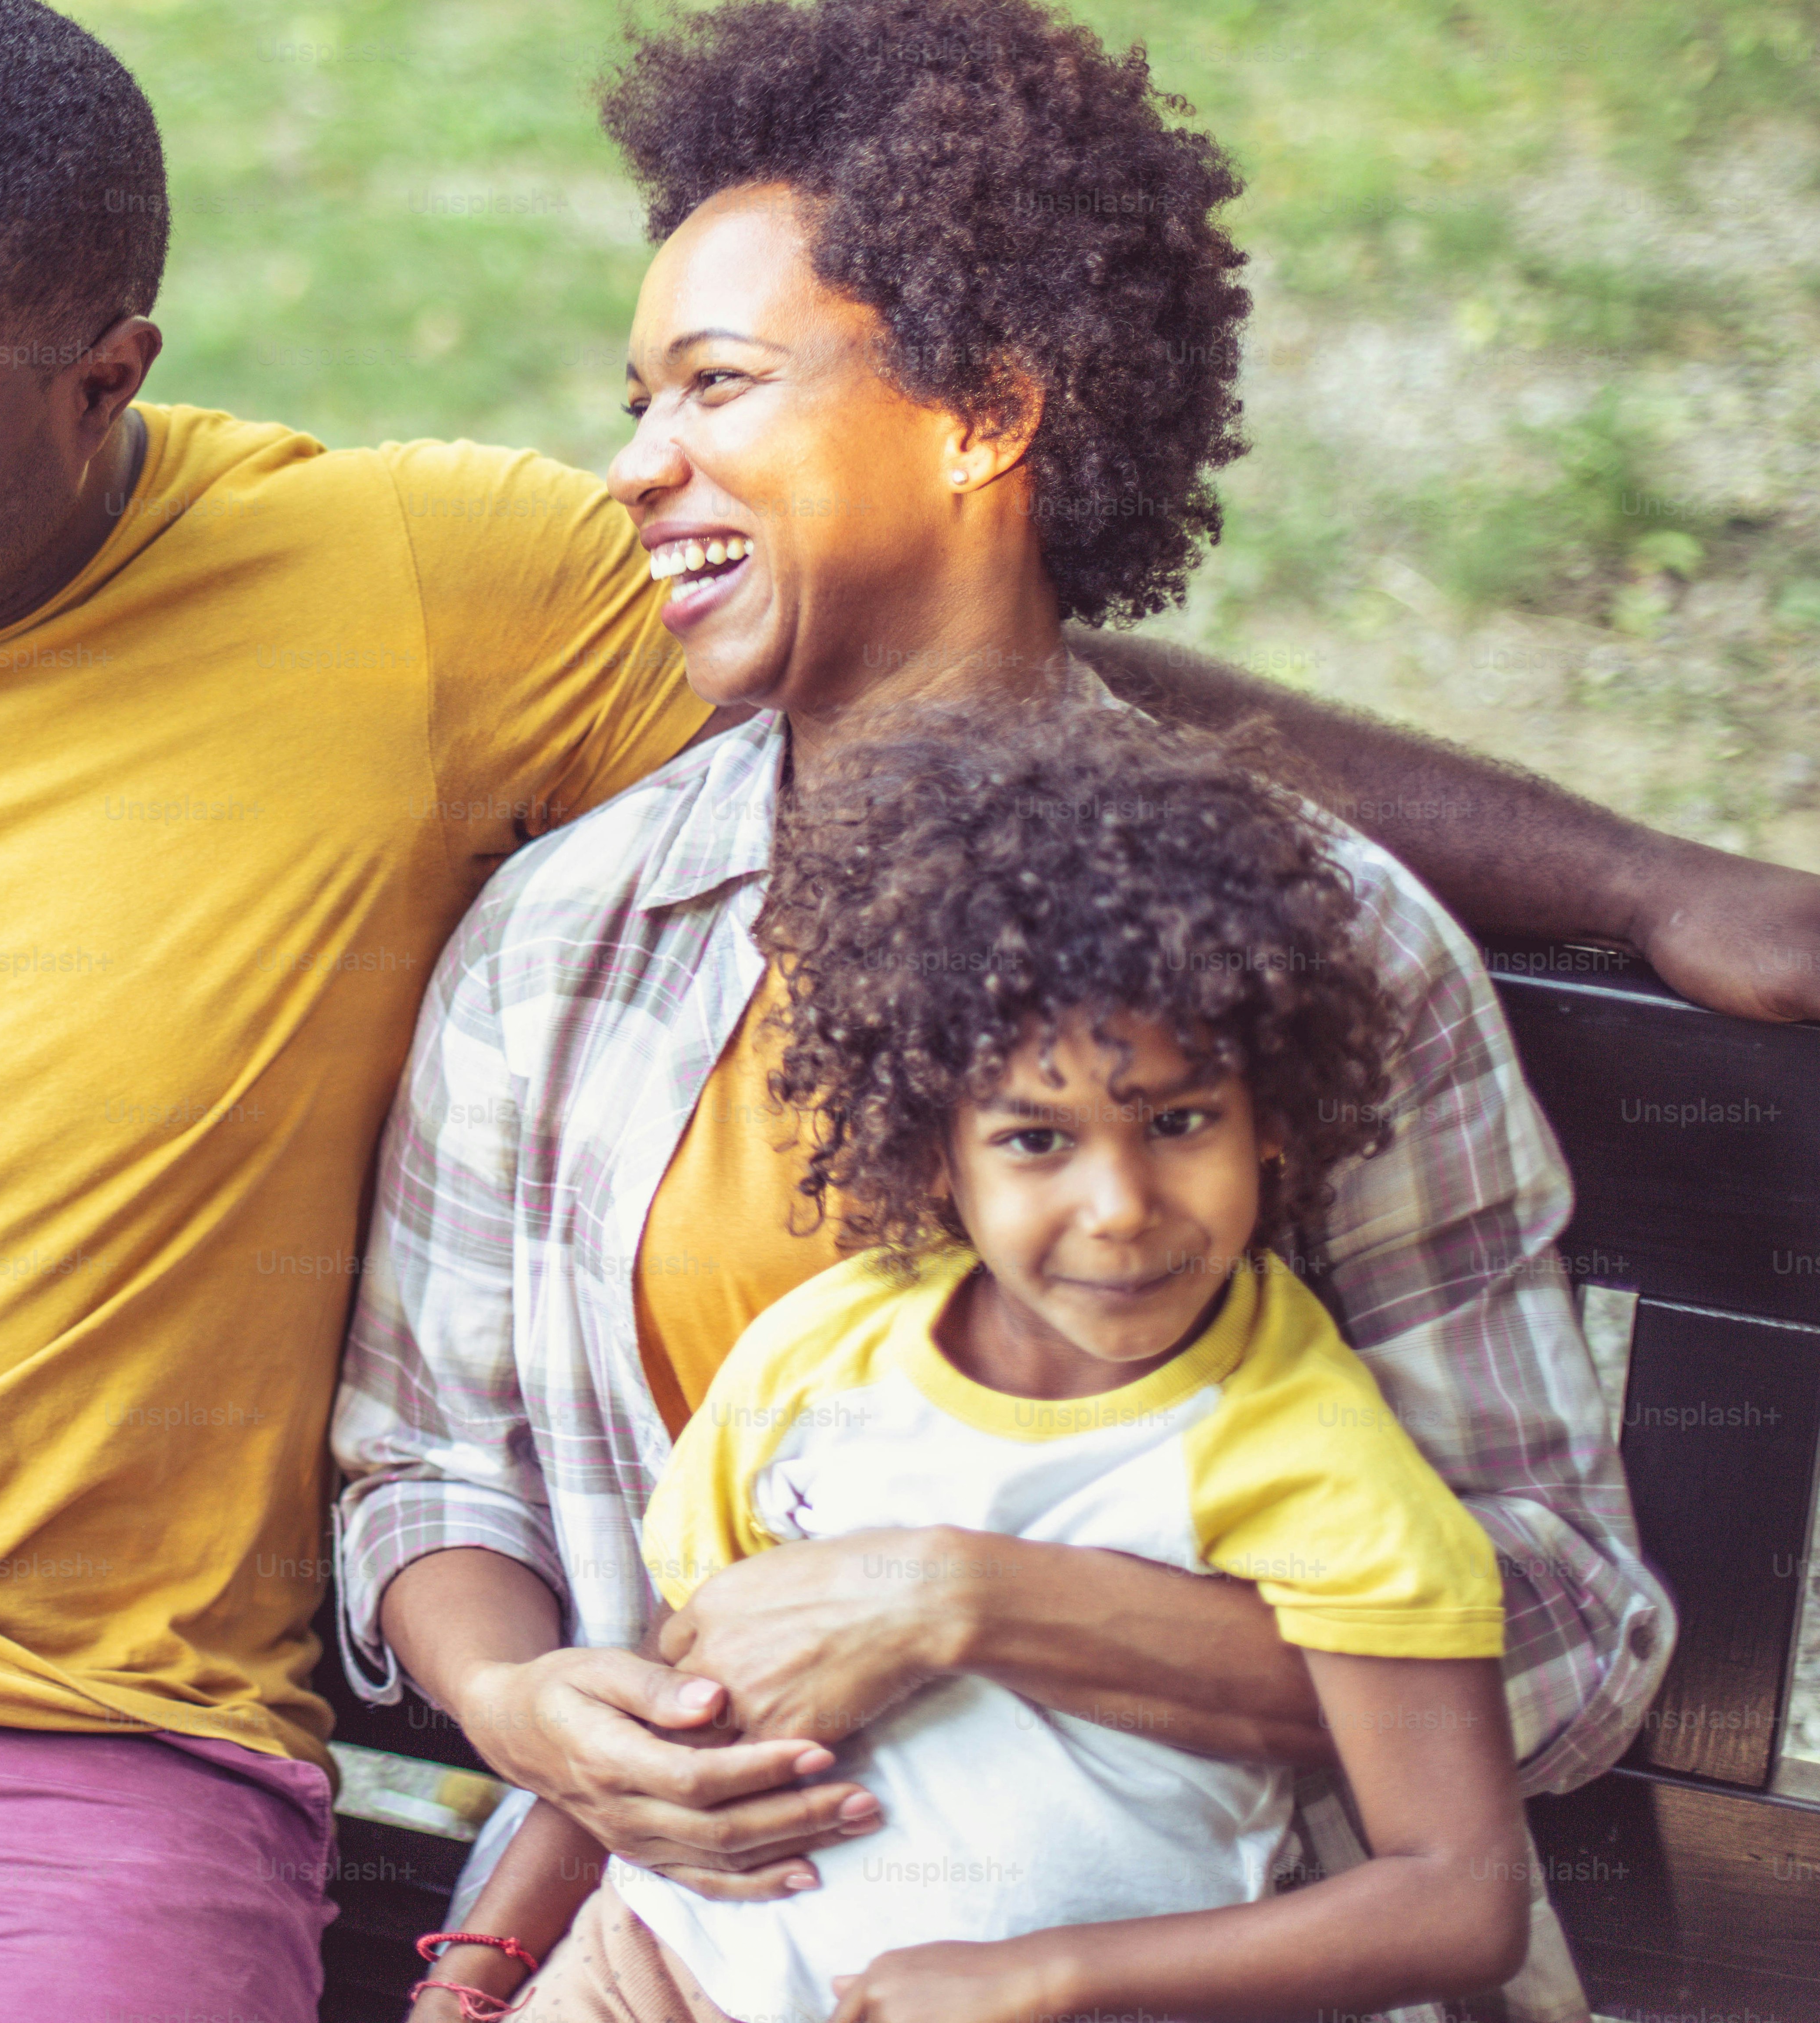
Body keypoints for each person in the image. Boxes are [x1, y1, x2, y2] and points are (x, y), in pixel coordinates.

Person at [0, 0, 1776, 2011]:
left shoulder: (441, 600)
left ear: (102, 379)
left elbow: (983, 672)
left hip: (187, 1795)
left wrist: (1639, 877)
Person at [338, 4, 1652, 2016]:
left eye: (718, 385)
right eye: (636, 393)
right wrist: (522, 1700)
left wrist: (977, 1606)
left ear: (985, 412)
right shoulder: (568, 938)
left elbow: (1562, 1627)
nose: (633, 464)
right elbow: (424, 1465)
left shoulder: (1311, 953)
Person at [420, 710, 1529, 2023]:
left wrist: (1047, 1978)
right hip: (658, 1969)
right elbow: (686, 1697)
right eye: (1036, 1138)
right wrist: (490, 1954)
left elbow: (1461, 1897)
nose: (1120, 1202)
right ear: (936, 1151)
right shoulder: (821, 1358)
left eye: (1179, 1122)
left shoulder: (1313, 1456)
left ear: (1271, 1120)